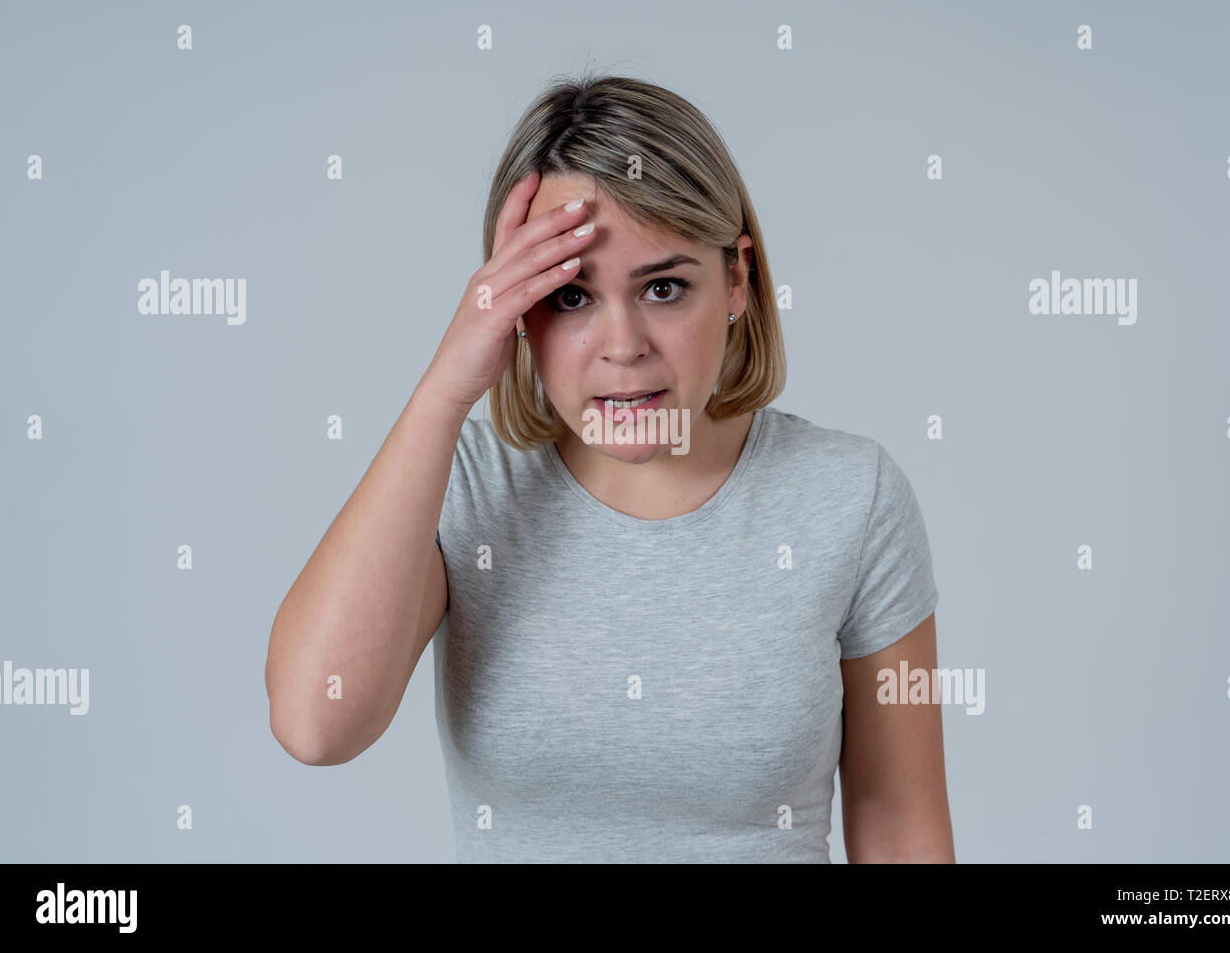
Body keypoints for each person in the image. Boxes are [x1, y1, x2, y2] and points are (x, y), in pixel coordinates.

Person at [265, 73, 955, 863]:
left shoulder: (850, 497)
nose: (622, 346)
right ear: (514, 309)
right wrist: (445, 389)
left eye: (663, 287)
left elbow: (901, 824)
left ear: (737, 279)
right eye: (569, 297)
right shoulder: (467, 487)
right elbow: (316, 725)